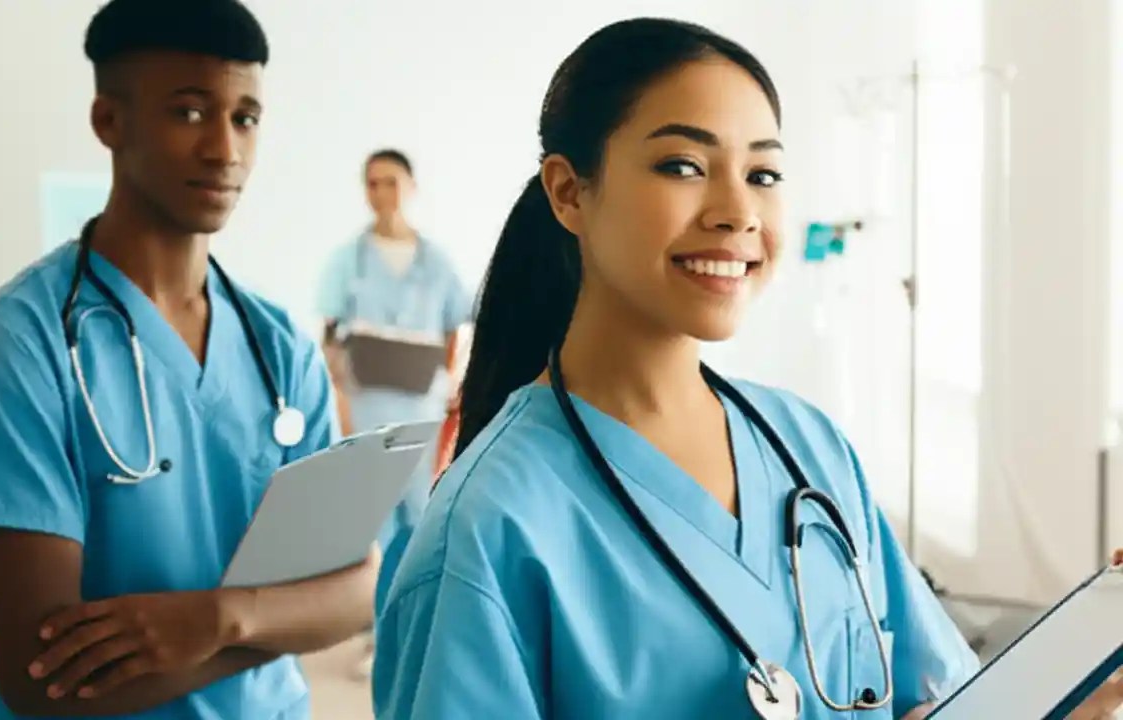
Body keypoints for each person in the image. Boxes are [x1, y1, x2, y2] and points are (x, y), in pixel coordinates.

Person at [371, 17, 987, 719]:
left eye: (763, 174)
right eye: (683, 167)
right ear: (570, 192)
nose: (737, 211)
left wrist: (1085, 684)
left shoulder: (810, 448)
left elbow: (940, 694)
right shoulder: (487, 528)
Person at [0, 2, 377, 718]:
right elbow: (42, 677)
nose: (225, 150)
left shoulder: (279, 346)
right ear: (109, 121)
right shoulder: (16, 348)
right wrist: (276, 616)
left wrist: (211, 621)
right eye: (190, 113)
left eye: (245, 118)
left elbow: (355, 591)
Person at [316, 149, 472, 675]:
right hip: (367, 403)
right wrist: (337, 397)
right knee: (375, 521)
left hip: (423, 405)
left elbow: (457, 326)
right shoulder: (350, 259)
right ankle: (381, 637)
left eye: (392, 181)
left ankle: (419, 635)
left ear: (412, 186)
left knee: (420, 520)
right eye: (373, 182)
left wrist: (451, 382)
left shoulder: (436, 262)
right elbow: (331, 334)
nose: (382, 192)